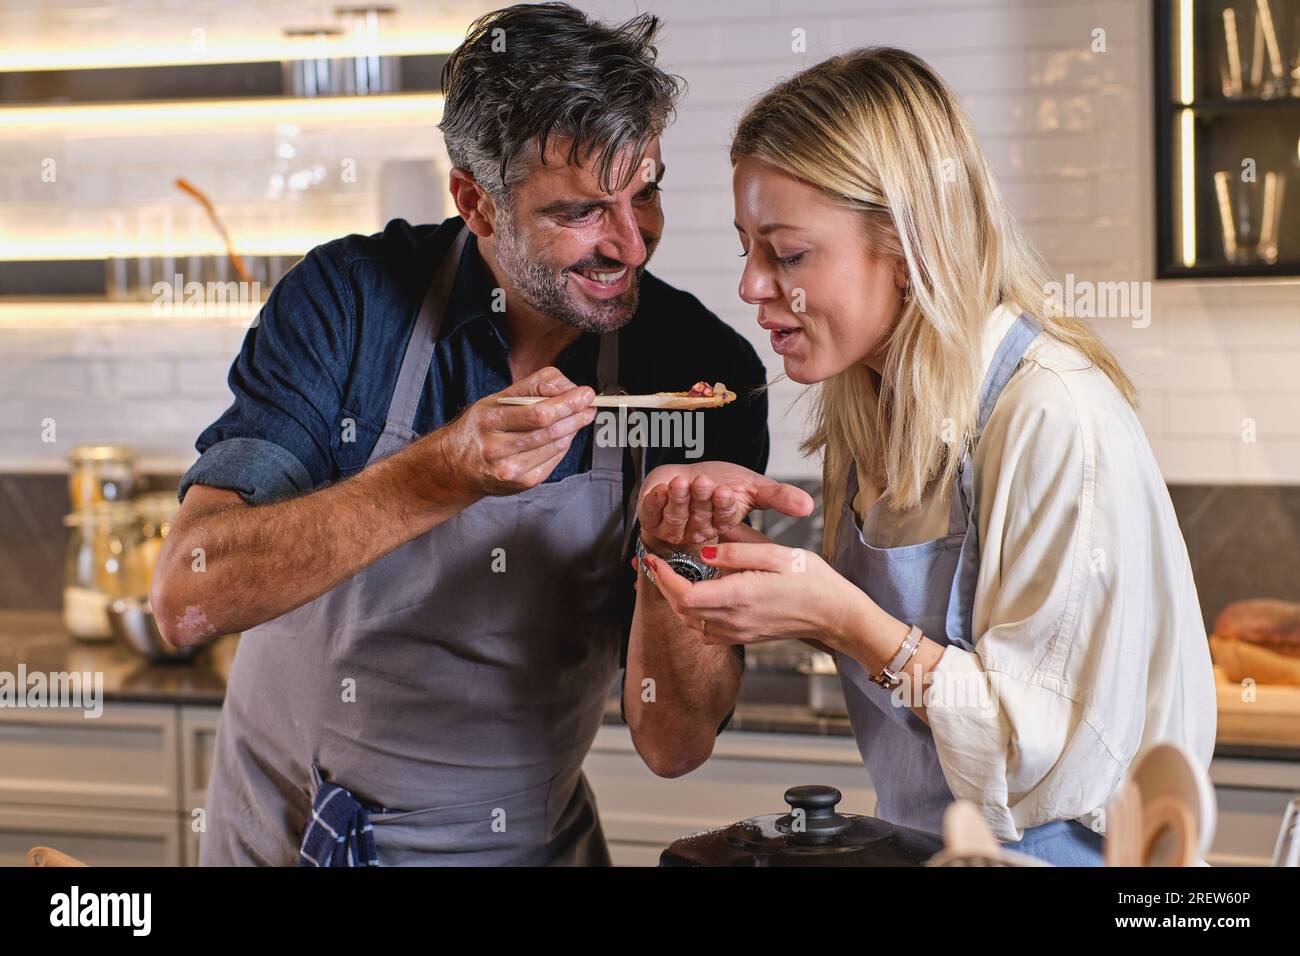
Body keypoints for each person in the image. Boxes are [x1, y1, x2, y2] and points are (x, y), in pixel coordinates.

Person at [152, 2, 809, 866]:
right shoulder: (349, 302)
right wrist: (438, 476)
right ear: (477, 201)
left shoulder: (696, 371)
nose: (631, 244)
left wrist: (674, 566)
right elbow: (186, 600)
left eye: (644, 190)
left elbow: (674, 745)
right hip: (279, 833)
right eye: (579, 211)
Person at [636, 47, 1217, 866]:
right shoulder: (869, 408)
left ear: (906, 247)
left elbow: (1037, 752)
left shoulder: (1052, 414)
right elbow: (910, 662)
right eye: (747, 250)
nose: (751, 288)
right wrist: (760, 575)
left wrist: (838, 616)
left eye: (788, 253)